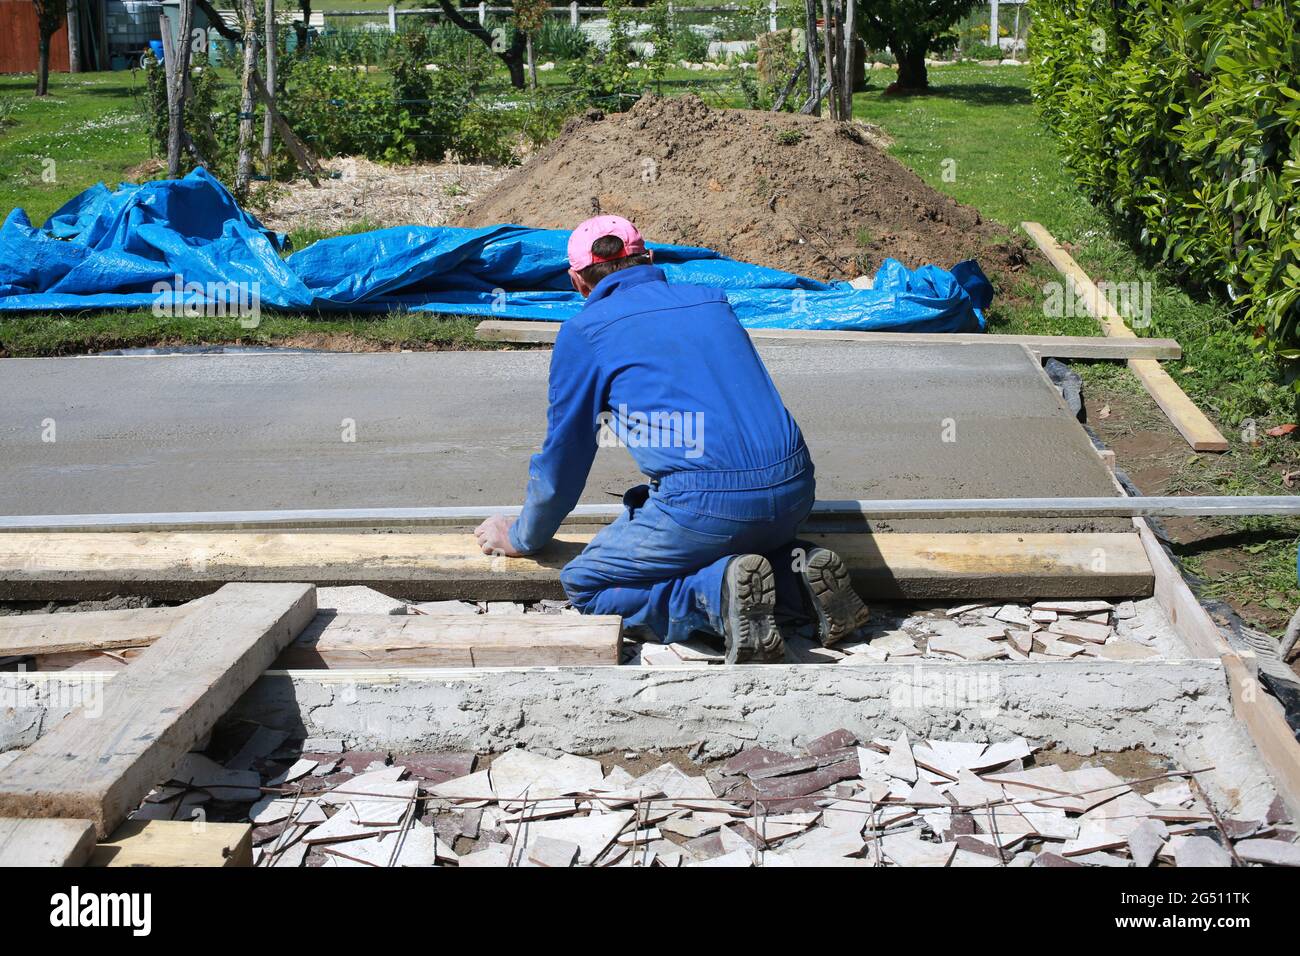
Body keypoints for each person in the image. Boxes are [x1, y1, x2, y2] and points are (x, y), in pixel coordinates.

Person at [474, 215, 870, 662]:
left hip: (703, 508)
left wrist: (522, 536)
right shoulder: (711, 301)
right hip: (795, 493)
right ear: (650, 258)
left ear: (577, 281)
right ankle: (795, 576)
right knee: (664, 506)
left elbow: (566, 457)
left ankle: (713, 596)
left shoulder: (585, 332)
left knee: (586, 583)